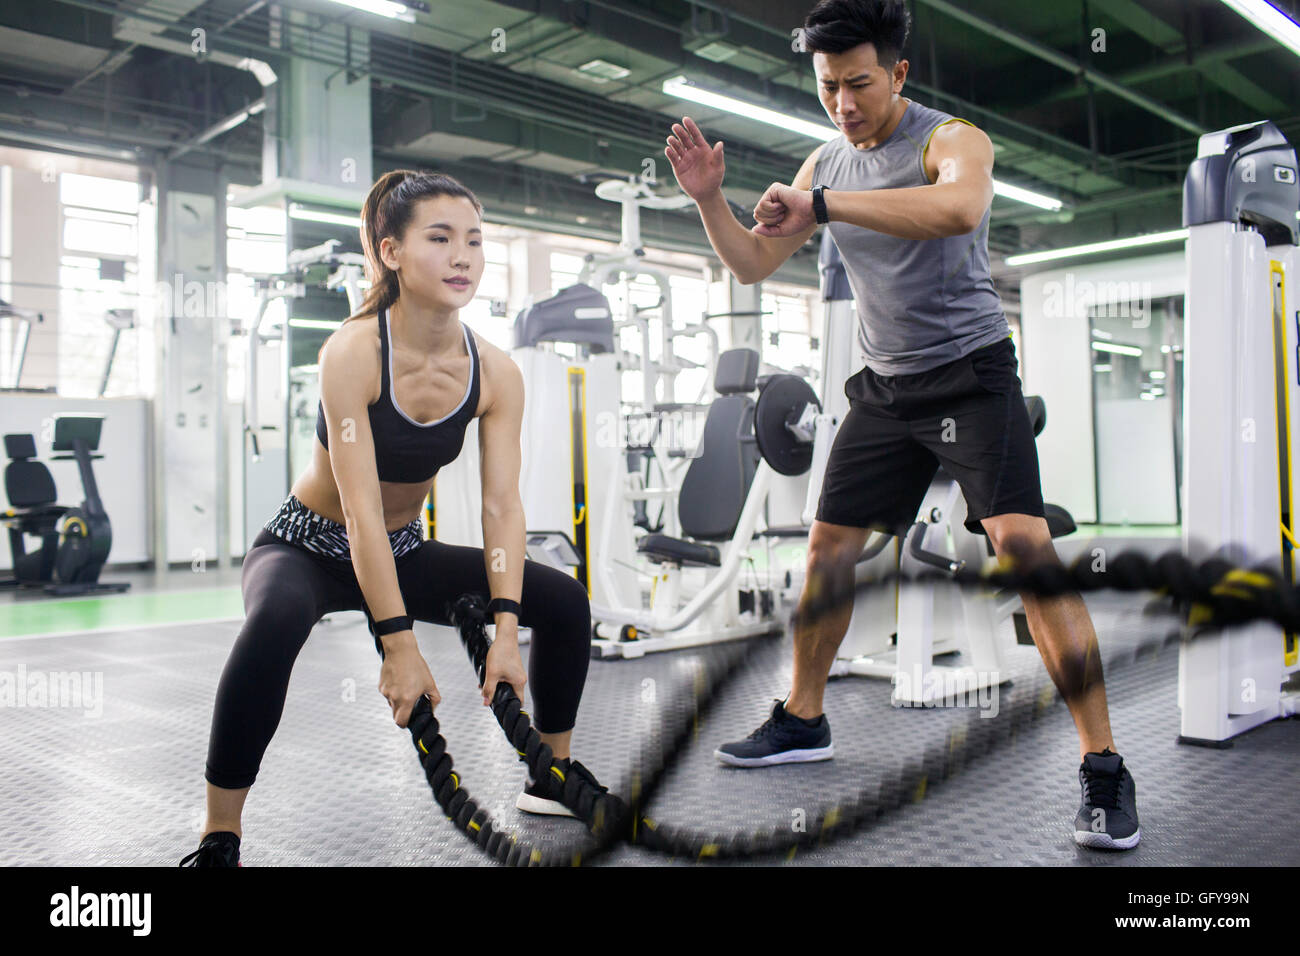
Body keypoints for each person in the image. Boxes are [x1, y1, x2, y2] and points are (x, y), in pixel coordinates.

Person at [664, 0, 1140, 851]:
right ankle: (805, 719)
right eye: (826, 87)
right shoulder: (825, 161)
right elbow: (750, 261)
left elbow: (956, 211)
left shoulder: (950, 141)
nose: (842, 104)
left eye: (857, 83)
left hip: (971, 376)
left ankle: (1103, 766)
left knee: (1025, 551)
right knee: (826, 548)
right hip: (885, 389)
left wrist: (829, 207)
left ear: (898, 74)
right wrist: (710, 202)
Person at [180, 170, 598, 867]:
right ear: (392, 252)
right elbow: (358, 510)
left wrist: (503, 631)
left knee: (559, 600)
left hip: (401, 550)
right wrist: (398, 645)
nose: (463, 255)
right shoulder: (352, 351)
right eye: (440, 238)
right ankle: (219, 834)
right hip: (307, 546)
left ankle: (549, 775)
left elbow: (502, 506)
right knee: (276, 619)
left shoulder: (494, 372)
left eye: (473, 240)